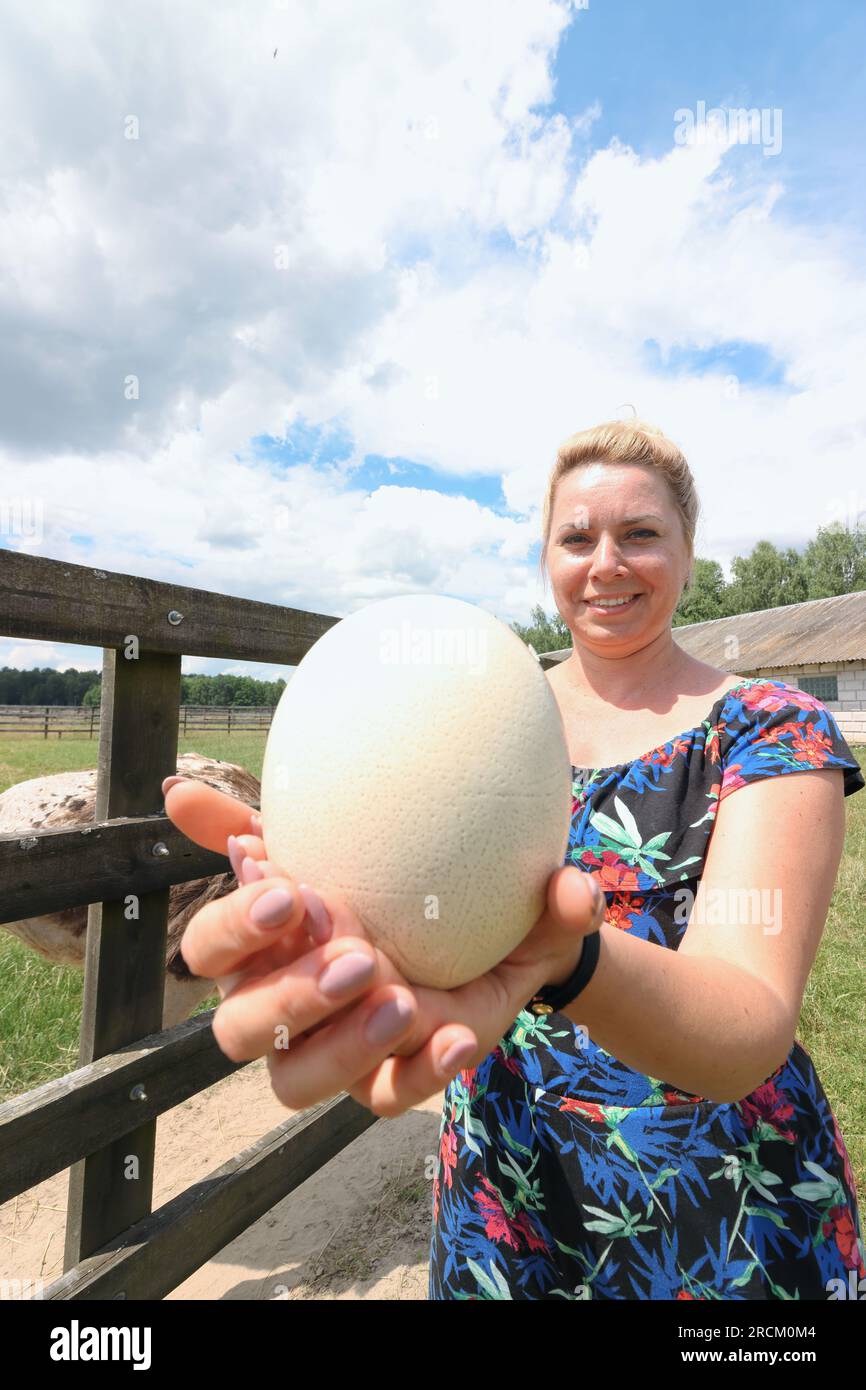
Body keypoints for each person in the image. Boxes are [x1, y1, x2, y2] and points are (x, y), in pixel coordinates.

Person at [163, 418, 865, 1300]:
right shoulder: (472, 718)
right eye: (577, 537)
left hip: (724, 1212)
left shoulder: (768, 726)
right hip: (505, 1201)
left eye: (640, 533)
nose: (605, 562)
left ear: (688, 552)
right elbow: (401, 900)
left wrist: (562, 958)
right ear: (547, 558)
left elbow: (746, 1026)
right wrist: (338, 930)